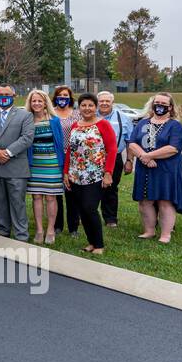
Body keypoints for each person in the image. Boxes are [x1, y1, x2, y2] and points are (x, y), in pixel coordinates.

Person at [126, 92, 182, 244]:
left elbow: (173, 148)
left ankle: (166, 234)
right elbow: (132, 143)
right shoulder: (142, 123)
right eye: (157, 102)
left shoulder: (175, 125)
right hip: (145, 167)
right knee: (145, 199)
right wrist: (143, 157)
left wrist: (150, 155)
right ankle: (149, 230)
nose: (159, 106)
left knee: (164, 200)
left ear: (170, 107)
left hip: (167, 168)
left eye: (164, 104)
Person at [62, 93, 117, 255]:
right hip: (75, 175)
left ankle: (99, 244)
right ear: (79, 107)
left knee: (90, 208)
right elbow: (70, 151)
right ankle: (91, 242)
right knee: (82, 209)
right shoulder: (75, 125)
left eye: (90, 105)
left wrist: (108, 173)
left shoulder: (103, 125)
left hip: (95, 175)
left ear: (96, 107)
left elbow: (112, 150)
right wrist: (66, 172)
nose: (87, 108)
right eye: (83, 105)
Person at [0, 85, 33, 241]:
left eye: (7, 94)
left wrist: (8, 153)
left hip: (16, 166)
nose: (4, 96)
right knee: (0, 201)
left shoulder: (25, 115)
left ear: (14, 96)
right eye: (0, 94)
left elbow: (27, 138)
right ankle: (3, 231)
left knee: (17, 202)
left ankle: (21, 235)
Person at [24, 89, 65, 244]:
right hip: (34, 163)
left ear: (45, 102)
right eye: (34, 101)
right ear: (30, 103)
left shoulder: (54, 120)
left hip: (52, 163)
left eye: (39, 101)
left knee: (50, 197)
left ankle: (50, 229)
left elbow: (60, 143)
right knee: (36, 197)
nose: (36, 103)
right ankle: (40, 230)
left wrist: (62, 166)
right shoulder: (27, 120)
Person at [96, 91, 133, 227]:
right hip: (92, 158)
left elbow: (130, 141)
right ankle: (89, 215)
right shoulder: (90, 116)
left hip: (114, 157)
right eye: (102, 101)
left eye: (107, 101)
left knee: (111, 188)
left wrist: (129, 160)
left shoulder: (123, 118)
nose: (104, 103)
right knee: (90, 188)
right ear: (98, 102)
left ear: (113, 102)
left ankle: (110, 218)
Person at [50, 86, 79, 236]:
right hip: (54, 158)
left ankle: (73, 227)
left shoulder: (76, 114)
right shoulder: (50, 113)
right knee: (56, 193)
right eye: (60, 95)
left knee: (71, 193)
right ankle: (57, 225)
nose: (63, 97)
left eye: (65, 95)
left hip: (73, 158)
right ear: (55, 97)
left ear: (70, 97)